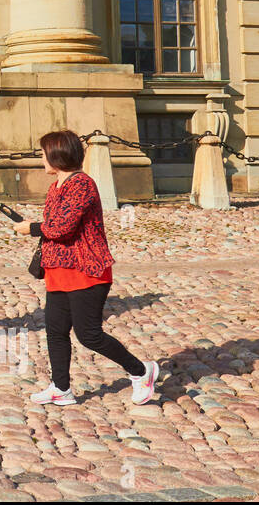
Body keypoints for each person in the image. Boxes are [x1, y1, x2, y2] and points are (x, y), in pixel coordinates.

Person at [12, 129, 159, 406]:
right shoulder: (55, 186)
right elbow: (54, 228)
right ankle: (61, 388)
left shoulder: (82, 184)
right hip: (58, 271)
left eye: (44, 153)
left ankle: (141, 371)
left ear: (58, 155)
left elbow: (62, 227)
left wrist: (30, 228)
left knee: (89, 335)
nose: (41, 158)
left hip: (87, 272)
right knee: (55, 331)